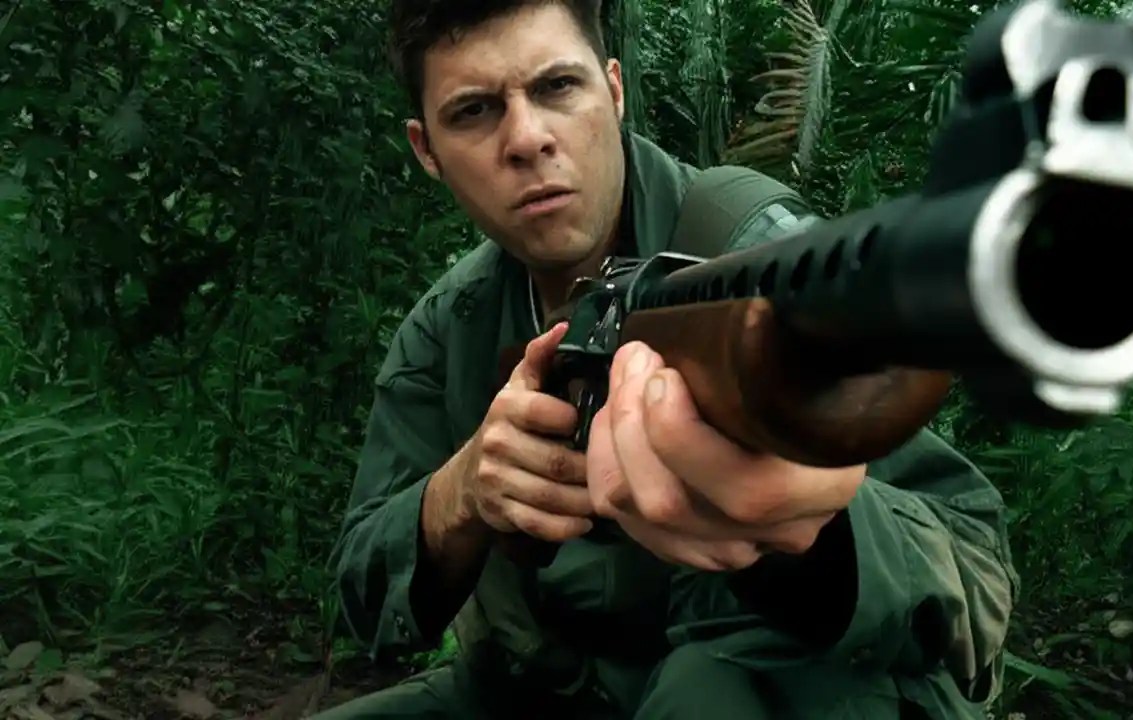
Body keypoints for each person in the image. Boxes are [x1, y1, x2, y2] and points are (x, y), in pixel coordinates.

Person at [316, 0, 1020, 717]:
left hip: (759, 675)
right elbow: (359, 596)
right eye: (473, 111)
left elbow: (974, 565)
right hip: (541, 683)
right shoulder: (449, 327)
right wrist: (461, 492)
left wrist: (817, 540)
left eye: (558, 87)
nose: (527, 138)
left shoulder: (755, 263)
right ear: (426, 149)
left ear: (614, 91)